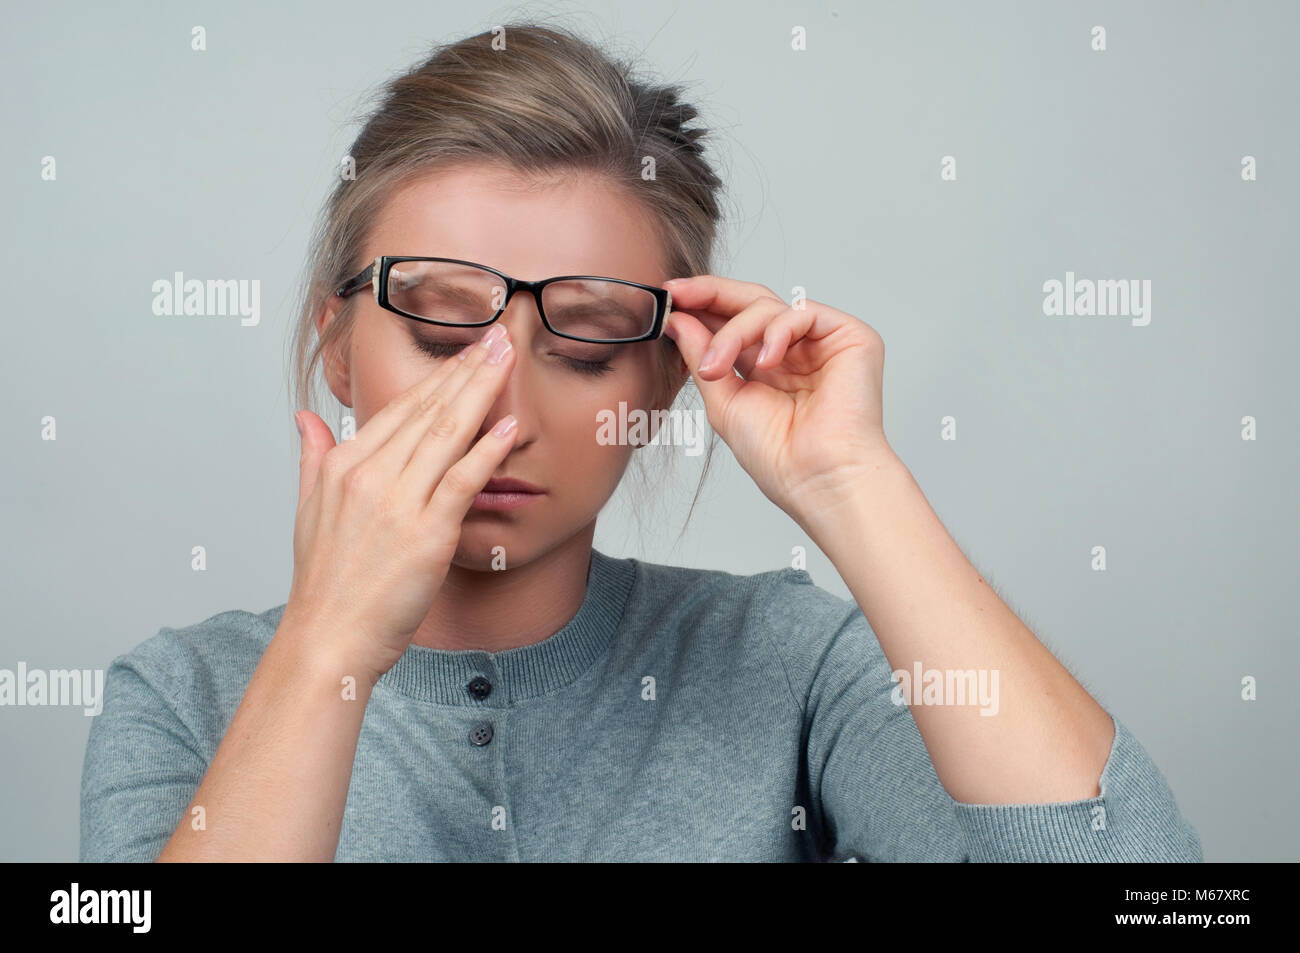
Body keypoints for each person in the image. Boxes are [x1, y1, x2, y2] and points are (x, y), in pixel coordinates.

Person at [80, 22, 1203, 862]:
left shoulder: (789, 664)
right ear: (337, 345)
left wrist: (853, 481)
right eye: (436, 325)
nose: (501, 409)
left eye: (587, 341)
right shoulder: (186, 693)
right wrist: (324, 648)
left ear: (665, 378)